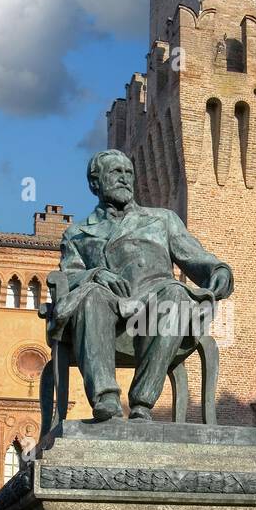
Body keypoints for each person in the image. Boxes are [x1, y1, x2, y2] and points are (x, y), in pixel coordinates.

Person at [49, 150, 233, 420]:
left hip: (155, 302)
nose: (124, 179)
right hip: (108, 308)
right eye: (116, 173)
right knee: (91, 298)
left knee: (176, 293)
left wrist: (218, 271)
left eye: (128, 173)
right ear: (94, 183)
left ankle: (142, 401)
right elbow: (70, 275)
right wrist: (95, 274)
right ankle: (107, 400)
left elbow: (196, 257)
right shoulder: (77, 233)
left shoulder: (162, 220)